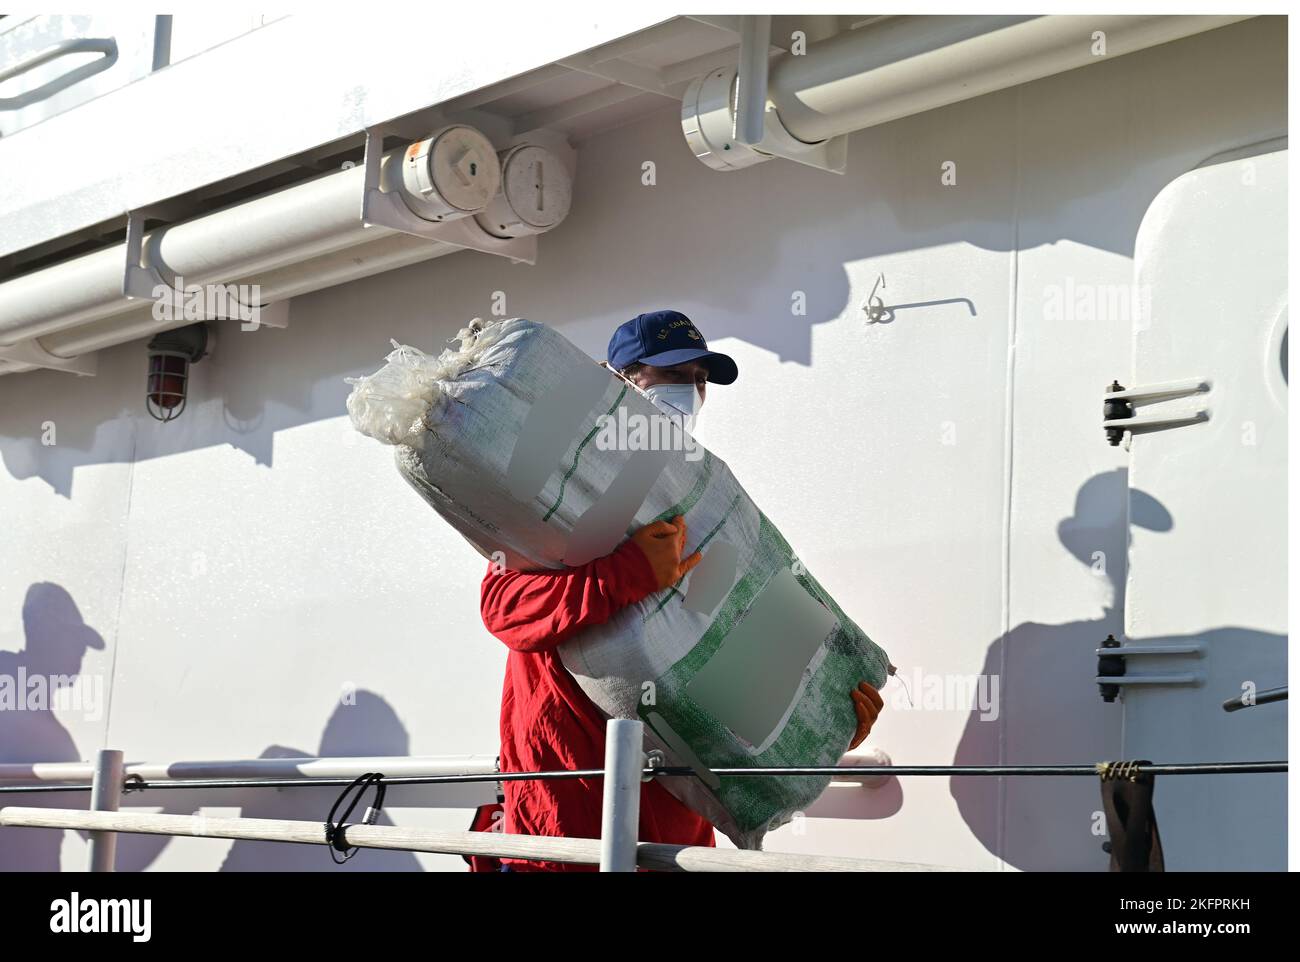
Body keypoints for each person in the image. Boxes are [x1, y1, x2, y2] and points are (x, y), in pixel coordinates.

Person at [477, 309, 883, 872]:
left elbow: (727, 644)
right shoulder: (562, 489)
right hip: (571, 812)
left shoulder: (704, 501)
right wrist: (626, 572)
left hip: (674, 829)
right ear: (616, 381)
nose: (689, 392)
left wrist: (821, 722)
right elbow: (504, 609)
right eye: (670, 376)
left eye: (698, 380)